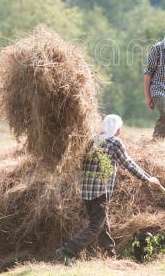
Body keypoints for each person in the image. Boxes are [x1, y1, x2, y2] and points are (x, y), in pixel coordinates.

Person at [56, 114, 159, 266]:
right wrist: (146, 179)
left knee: (102, 225)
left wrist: (148, 177)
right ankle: (68, 250)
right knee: (96, 226)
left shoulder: (92, 140)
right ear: (116, 129)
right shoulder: (114, 142)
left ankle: (110, 257)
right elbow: (128, 163)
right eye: (119, 128)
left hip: (86, 192)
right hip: (101, 191)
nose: (120, 131)